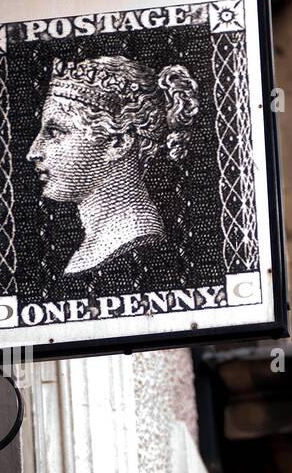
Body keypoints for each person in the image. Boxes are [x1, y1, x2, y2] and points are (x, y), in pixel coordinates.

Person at [26, 54, 199, 294]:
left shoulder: (139, 249)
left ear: (117, 143)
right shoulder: (89, 250)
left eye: (55, 132)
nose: (33, 152)